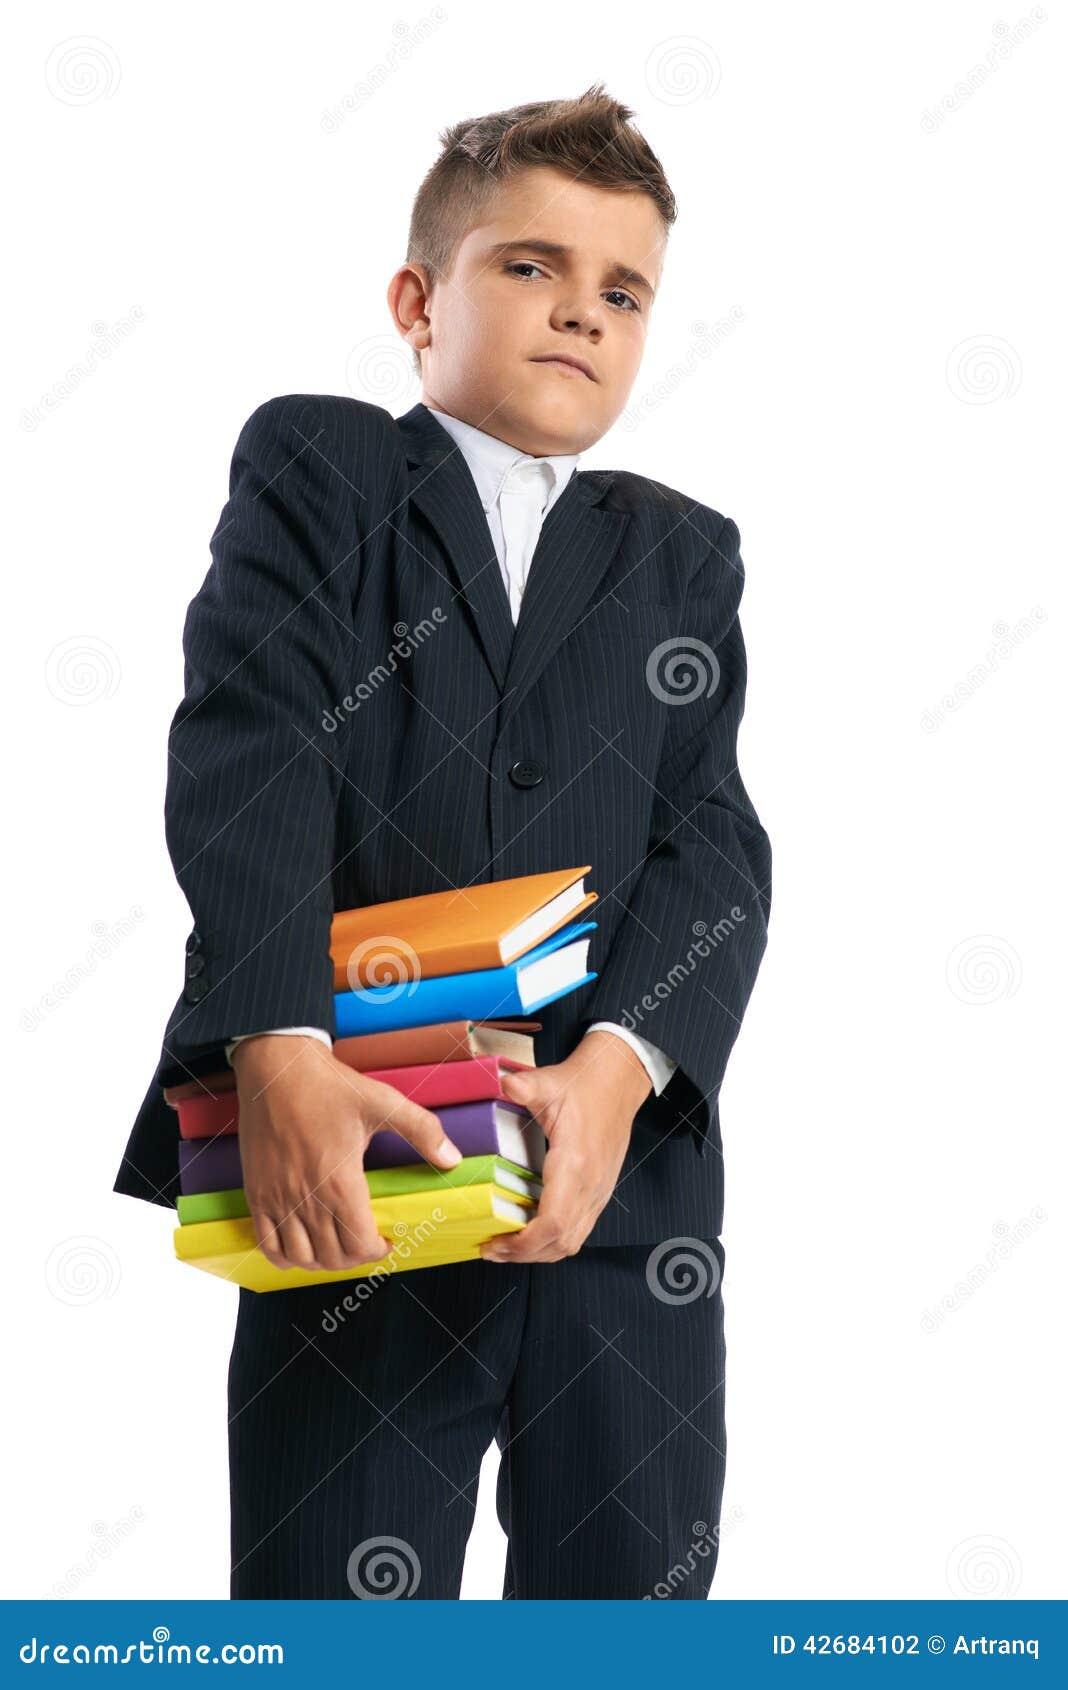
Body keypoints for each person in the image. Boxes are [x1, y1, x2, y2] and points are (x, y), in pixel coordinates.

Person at [114, 82, 772, 1600]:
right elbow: (254, 745)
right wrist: (274, 1048)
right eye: (529, 267)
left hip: (613, 1192)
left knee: (629, 1611)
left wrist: (620, 1071)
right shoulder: (326, 468)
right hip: (359, 1150)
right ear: (419, 301)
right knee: (337, 1604)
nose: (581, 313)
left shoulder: (682, 550)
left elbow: (713, 843)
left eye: (624, 291)